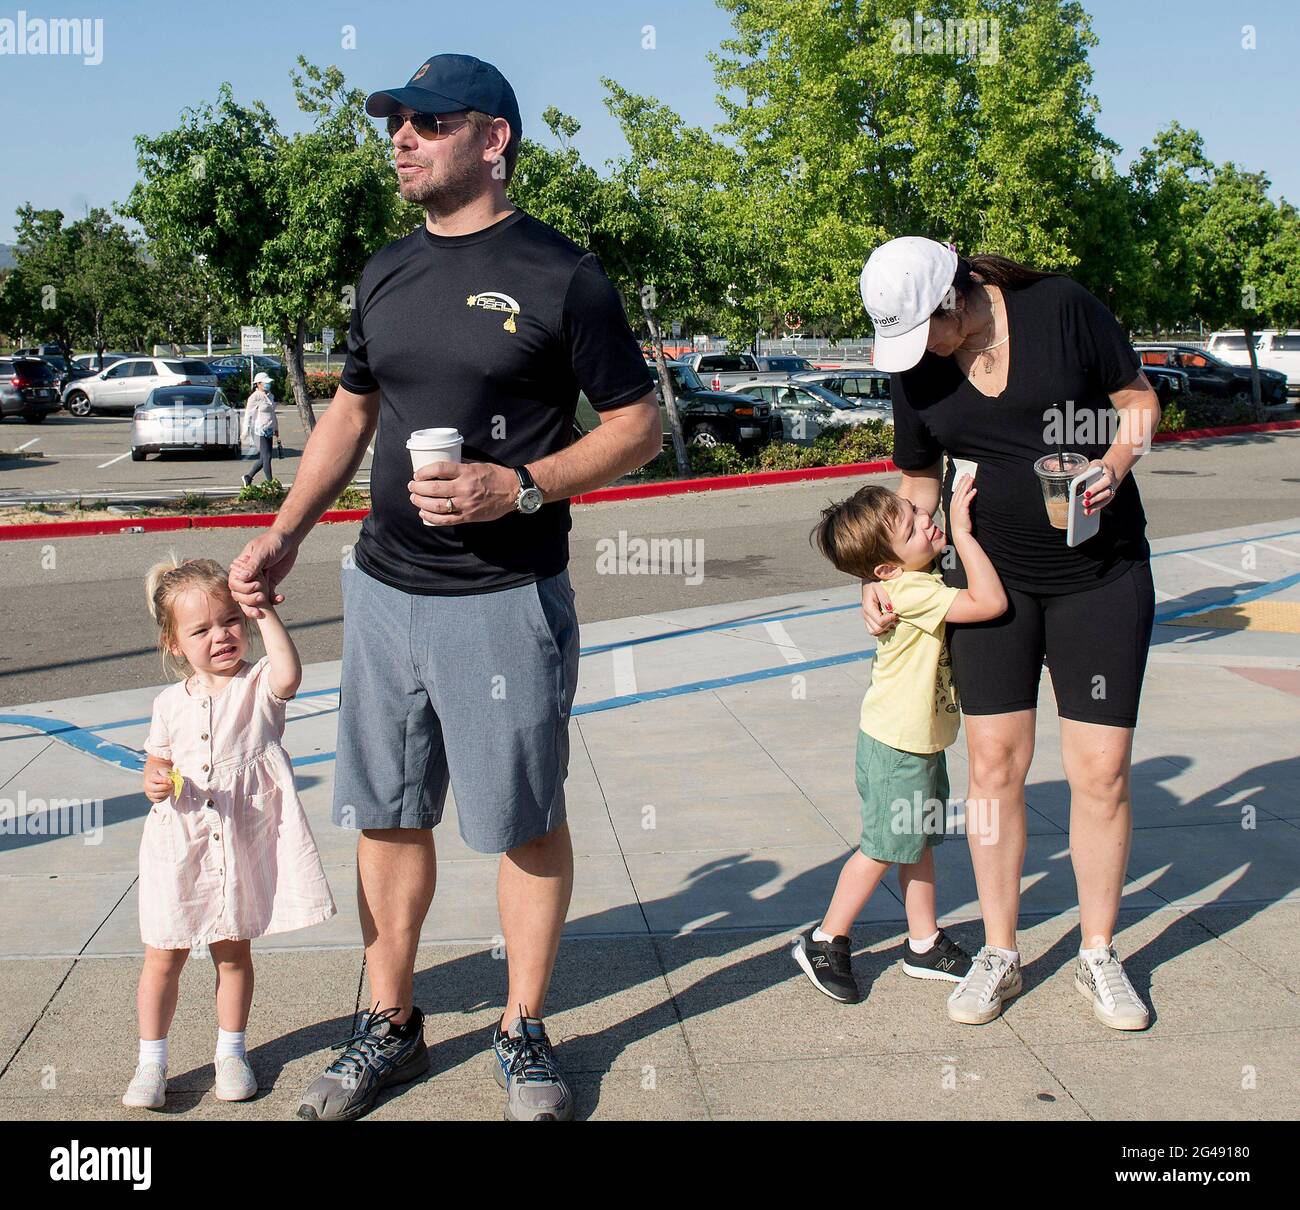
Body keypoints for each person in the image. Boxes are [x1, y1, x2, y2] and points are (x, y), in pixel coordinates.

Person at [228, 53, 660, 1122]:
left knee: (520, 820)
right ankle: (391, 1020)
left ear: (493, 138)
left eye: (426, 120)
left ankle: (521, 1028)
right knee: (386, 813)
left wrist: (519, 486)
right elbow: (350, 409)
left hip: (505, 596)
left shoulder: (567, 275)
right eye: (395, 122)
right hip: (382, 590)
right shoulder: (383, 271)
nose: (401, 137)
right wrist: (285, 530)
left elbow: (639, 426)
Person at [858, 236, 1161, 1030]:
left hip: (1102, 574)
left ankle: (1098, 952)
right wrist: (884, 573)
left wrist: (1115, 465)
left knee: (1100, 770)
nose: (917, 354)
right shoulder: (916, 366)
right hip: (990, 587)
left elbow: (1139, 401)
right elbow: (919, 477)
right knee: (994, 766)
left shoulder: (1059, 308)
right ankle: (1000, 950)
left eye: (926, 330)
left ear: (953, 297)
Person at [127, 555, 336, 1110]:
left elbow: (290, 673)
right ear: (174, 644)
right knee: (163, 954)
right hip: (180, 844)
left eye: (230, 622)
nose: (221, 636)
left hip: (238, 844)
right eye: (201, 630)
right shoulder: (169, 703)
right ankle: (152, 1062)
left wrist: (263, 610)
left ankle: (231, 1051)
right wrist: (154, 778)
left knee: (233, 952)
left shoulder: (258, 685)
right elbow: (157, 760)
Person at [794, 474, 1005, 1002]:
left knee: (917, 842)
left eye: (918, 514)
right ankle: (824, 938)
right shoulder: (911, 589)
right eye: (913, 528)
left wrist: (931, 541)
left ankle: (923, 940)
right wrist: (963, 532)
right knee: (882, 848)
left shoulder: (909, 576)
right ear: (887, 569)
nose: (925, 523)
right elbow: (989, 603)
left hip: (914, 742)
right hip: (897, 747)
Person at [240, 372, 278, 487]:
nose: (268, 385)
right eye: (265, 383)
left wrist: (276, 428)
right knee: (267, 457)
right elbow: (248, 414)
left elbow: (273, 413)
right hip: (259, 430)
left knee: (264, 458)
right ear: (258, 384)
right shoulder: (254, 397)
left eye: (269, 383)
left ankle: (248, 477)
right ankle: (271, 483)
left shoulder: (270, 395)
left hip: (269, 428)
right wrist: (245, 431)